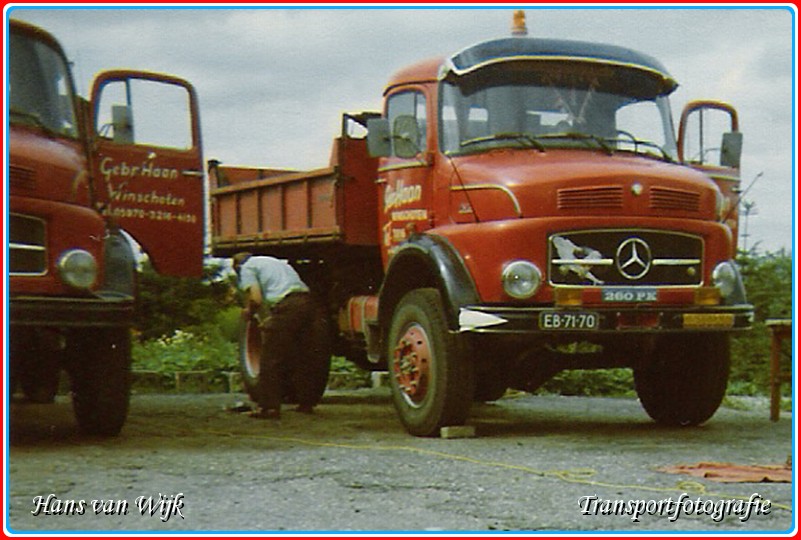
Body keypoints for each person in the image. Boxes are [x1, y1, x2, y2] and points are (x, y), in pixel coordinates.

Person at [232, 252, 330, 420]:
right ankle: (306, 404)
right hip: (309, 303)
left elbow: (256, 299)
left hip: (288, 306)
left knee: (271, 357)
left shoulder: (247, 267)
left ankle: (269, 408)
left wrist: (249, 312)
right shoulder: (275, 262)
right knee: (306, 355)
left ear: (237, 266)